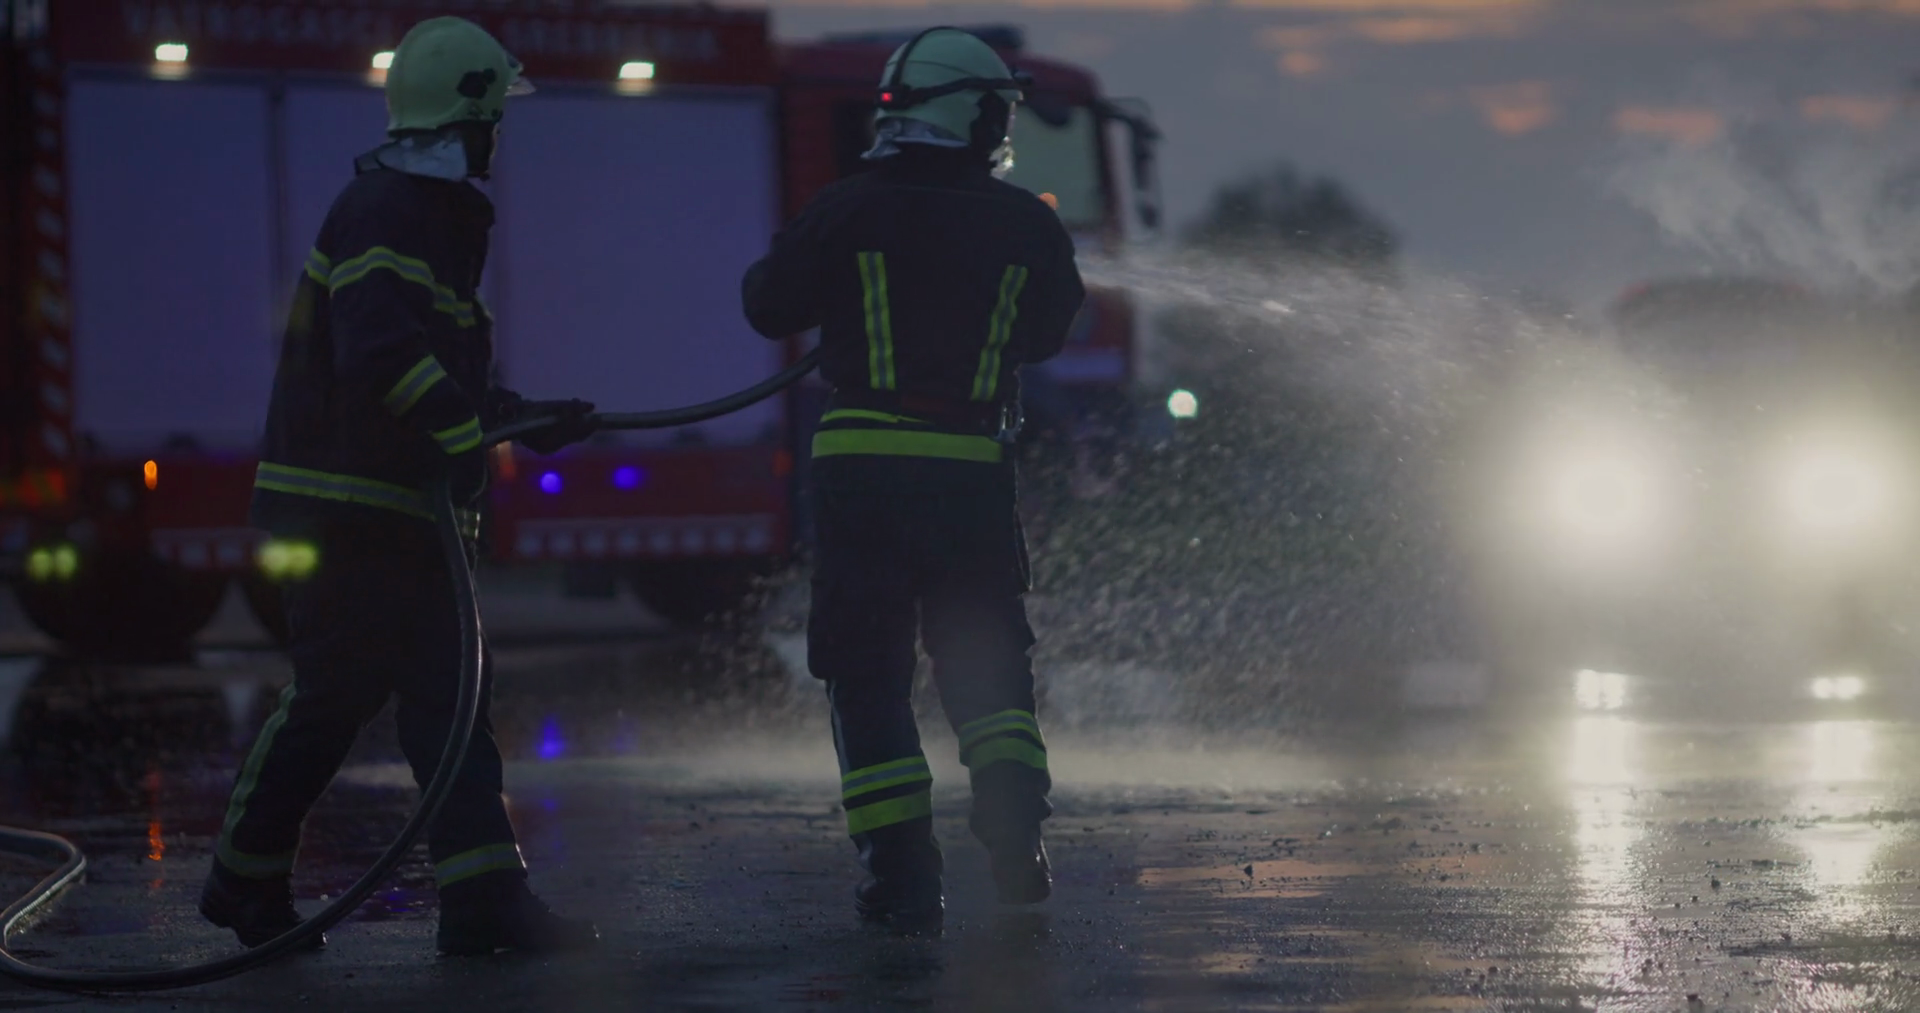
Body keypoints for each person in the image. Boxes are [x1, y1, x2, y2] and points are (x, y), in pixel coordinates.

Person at [200, 16, 599, 956]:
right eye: (496, 119)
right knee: (337, 694)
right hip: (349, 510)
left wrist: (524, 418)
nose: (501, 138)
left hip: (396, 513)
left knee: (448, 694)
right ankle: (243, 881)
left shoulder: (434, 215)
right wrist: (466, 435)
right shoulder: (388, 212)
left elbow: (436, 370)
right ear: (470, 117)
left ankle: (482, 901)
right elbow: (379, 349)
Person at [740, 26, 1086, 935]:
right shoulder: (1028, 224)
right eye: (999, 111)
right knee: (987, 666)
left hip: (861, 474)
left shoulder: (847, 209)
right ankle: (1018, 850)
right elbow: (1047, 333)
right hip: (970, 477)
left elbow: (768, 304)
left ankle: (901, 879)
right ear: (971, 115)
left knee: (867, 674)